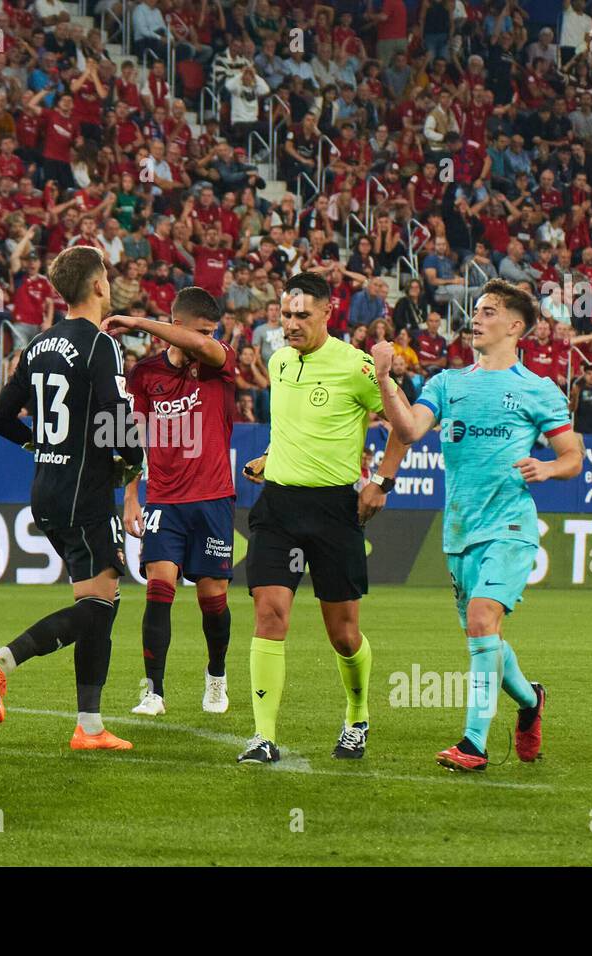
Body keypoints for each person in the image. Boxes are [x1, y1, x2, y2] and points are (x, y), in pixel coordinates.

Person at [371, 279, 583, 772]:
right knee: (481, 634)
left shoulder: (538, 389)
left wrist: (548, 468)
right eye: (477, 310)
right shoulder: (447, 383)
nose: (476, 318)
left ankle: (473, 743)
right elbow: (408, 430)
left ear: (514, 326)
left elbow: (573, 456)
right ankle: (530, 701)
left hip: (511, 525)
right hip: (460, 530)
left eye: (488, 312)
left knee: (484, 619)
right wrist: (385, 378)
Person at [0, 246, 145, 750]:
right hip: (84, 491)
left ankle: (89, 727)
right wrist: (133, 463)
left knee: (97, 601)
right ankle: (1, 661)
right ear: (98, 286)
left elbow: (0, 417)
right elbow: (116, 417)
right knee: (99, 607)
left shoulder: (39, 344)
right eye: (107, 275)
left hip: (45, 487)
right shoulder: (100, 346)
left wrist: (39, 443)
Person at [236, 271, 406, 765]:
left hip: (335, 510)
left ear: (328, 313)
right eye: (285, 315)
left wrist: (382, 482)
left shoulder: (356, 366)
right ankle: (262, 736)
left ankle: (356, 716)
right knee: (270, 615)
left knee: (344, 633)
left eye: (301, 316)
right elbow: (294, 426)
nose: (290, 324)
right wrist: (271, 457)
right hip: (279, 506)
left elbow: (403, 421)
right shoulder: (279, 360)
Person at [106, 288, 236, 717]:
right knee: (159, 589)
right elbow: (133, 439)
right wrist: (130, 497)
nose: (209, 340)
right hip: (164, 499)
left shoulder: (220, 362)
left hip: (214, 498)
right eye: (201, 331)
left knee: (212, 599)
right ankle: (153, 691)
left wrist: (138, 322)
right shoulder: (144, 375)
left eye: (213, 333)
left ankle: (216, 676)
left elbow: (203, 348)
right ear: (176, 327)